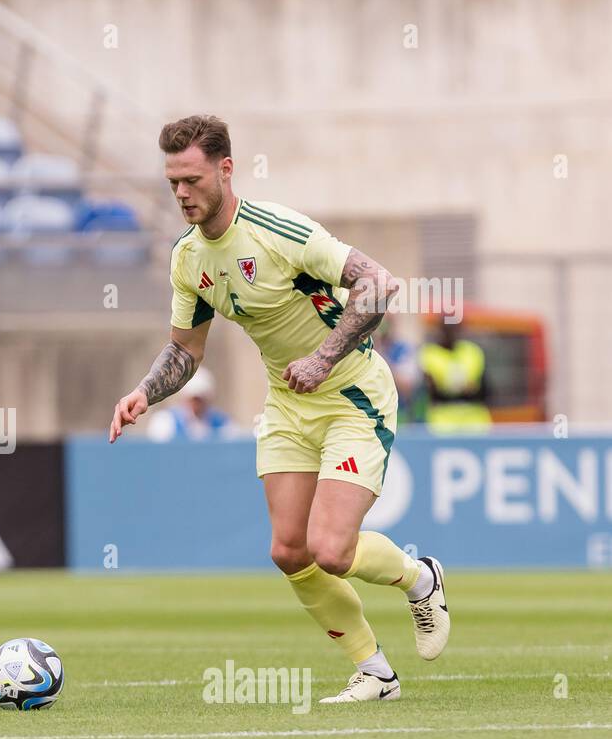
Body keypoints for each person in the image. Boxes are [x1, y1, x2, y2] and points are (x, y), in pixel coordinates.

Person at [108, 115, 450, 703]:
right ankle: (375, 671)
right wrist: (145, 392)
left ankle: (422, 579)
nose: (182, 194)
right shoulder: (188, 258)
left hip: (350, 396)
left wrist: (321, 358)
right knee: (288, 551)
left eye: (191, 180)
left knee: (332, 550)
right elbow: (186, 351)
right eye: (172, 184)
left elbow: (377, 283)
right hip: (288, 405)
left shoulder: (277, 230)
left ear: (225, 169)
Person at [420, 319, 493, 433]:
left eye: (455, 328)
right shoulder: (430, 354)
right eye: (448, 328)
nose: (452, 332)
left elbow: (484, 388)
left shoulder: (472, 351)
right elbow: (428, 391)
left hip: (474, 421)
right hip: (443, 421)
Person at [144, 369, 236, 442]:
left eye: (200, 399)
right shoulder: (166, 421)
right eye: (193, 399)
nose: (196, 404)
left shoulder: (223, 424)